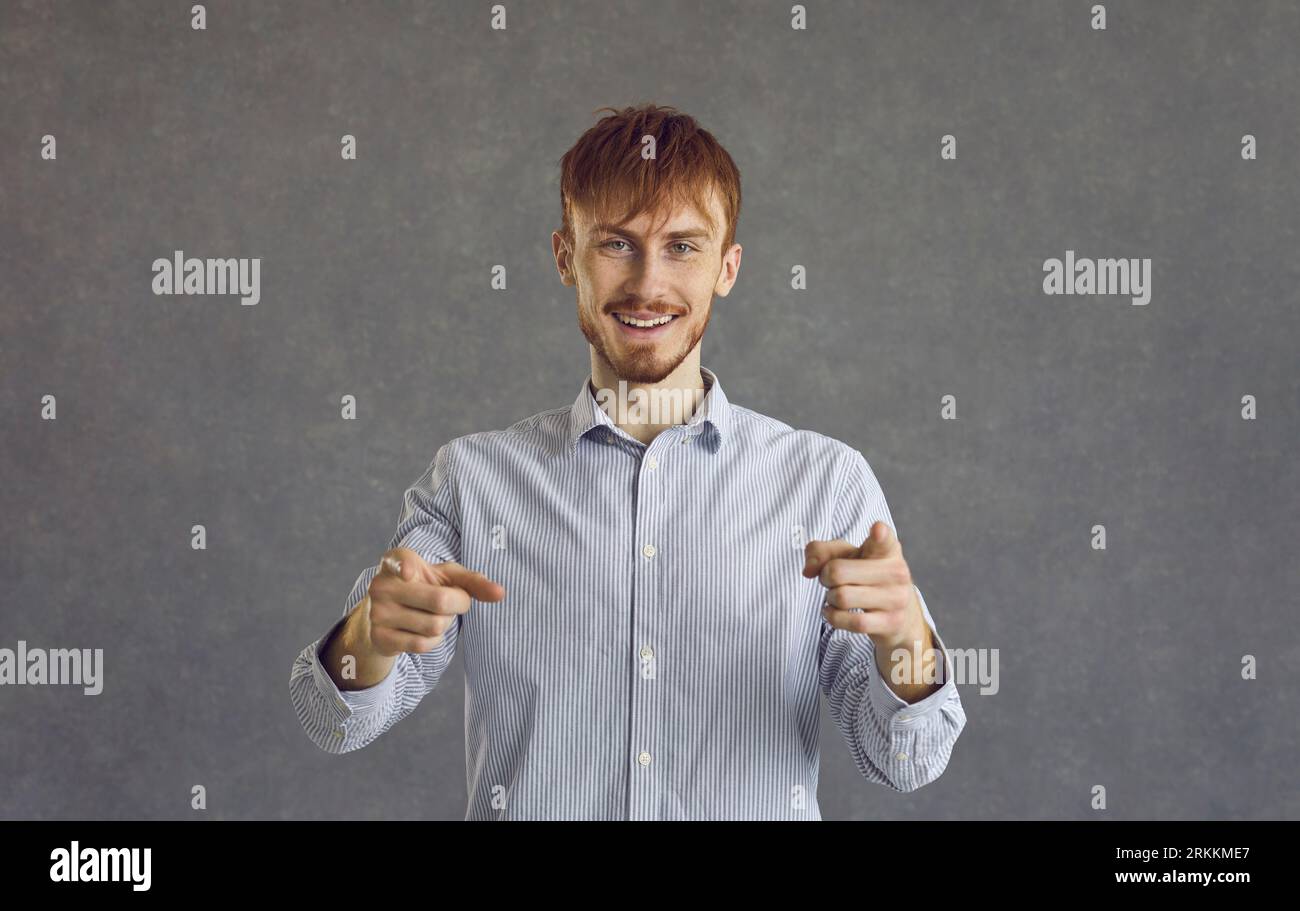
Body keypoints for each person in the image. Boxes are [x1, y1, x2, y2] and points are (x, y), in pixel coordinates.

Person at [289, 103, 966, 820]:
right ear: (564, 258)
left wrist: (906, 642)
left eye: (682, 247)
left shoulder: (826, 483)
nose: (648, 284)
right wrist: (368, 634)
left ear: (727, 268)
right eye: (616, 244)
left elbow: (910, 759)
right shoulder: (471, 482)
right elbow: (333, 719)